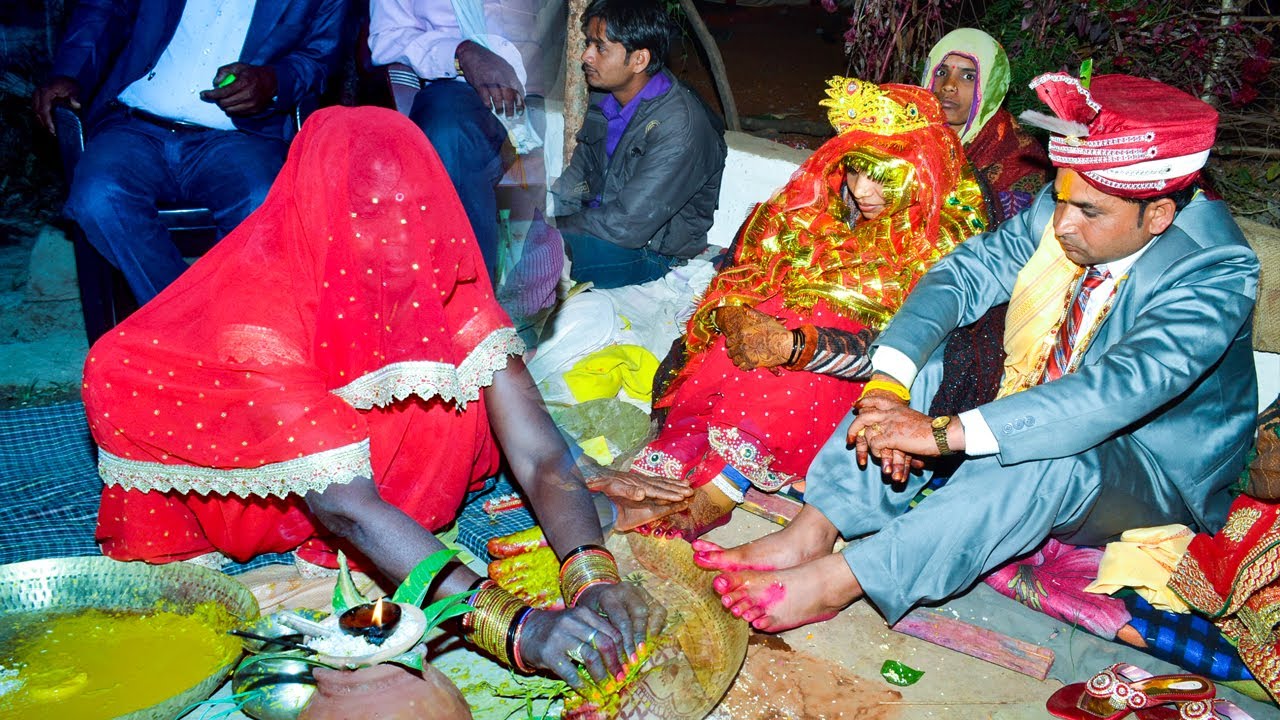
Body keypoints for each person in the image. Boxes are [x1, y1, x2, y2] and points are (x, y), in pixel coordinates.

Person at [80, 107, 673, 688]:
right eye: (367, 214)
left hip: (333, 440)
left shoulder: (435, 271)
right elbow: (346, 509)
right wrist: (520, 628)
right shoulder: (258, 331)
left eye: (412, 209)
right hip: (210, 417)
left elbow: (540, 453)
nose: (395, 237)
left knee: (476, 396)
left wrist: (592, 578)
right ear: (317, 213)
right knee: (361, 492)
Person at [692, 73, 1260, 634]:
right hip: (1039, 395)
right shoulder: (1072, 206)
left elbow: (1114, 391)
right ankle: (815, 528)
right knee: (931, 358)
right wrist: (888, 389)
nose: (1062, 224)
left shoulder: (1216, 270)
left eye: (1088, 212)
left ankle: (845, 578)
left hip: (1147, 473)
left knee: (1049, 454)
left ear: (1158, 215)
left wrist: (940, 434)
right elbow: (963, 275)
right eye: (1061, 198)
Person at [619, 78, 988, 534]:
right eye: (855, 171)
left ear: (918, 171)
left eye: (882, 176)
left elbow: (910, 350)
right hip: (758, 358)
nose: (862, 190)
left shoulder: (946, 239)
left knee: (813, 325)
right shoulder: (819, 203)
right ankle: (674, 457)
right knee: (768, 313)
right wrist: (737, 317)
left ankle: (722, 484)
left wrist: (797, 344)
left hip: (848, 378)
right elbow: (740, 273)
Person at [31, 0, 347, 305]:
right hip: (135, 125)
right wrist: (69, 73)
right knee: (97, 197)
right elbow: (104, 8)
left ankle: (184, 319)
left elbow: (318, 58)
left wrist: (273, 81)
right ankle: (188, 318)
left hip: (238, 138)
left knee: (262, 200)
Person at [551, 0, 727, 289]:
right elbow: (579, 177)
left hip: (651, 255)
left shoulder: (680, 127)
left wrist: (553, 227)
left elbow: (627, 226)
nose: (586, 56)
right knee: (511, 230)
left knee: (534, 257)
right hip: (598, 229)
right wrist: (545, 211)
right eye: (588, 43)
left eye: (600, 47)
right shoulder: (605, 97)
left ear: (639, 60)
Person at [368, 0, 539, 279]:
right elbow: (387, 38)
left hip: (549, 80)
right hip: (457, 88)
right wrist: (462, 52)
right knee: (448, 133)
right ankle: (468, 295)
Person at [923, 28, 1051, 224]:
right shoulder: (906, 135)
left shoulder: (1019, 158)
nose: (948, 85)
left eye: (968, 77)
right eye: (941, 72)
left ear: (991, 86)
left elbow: (1016, 236)